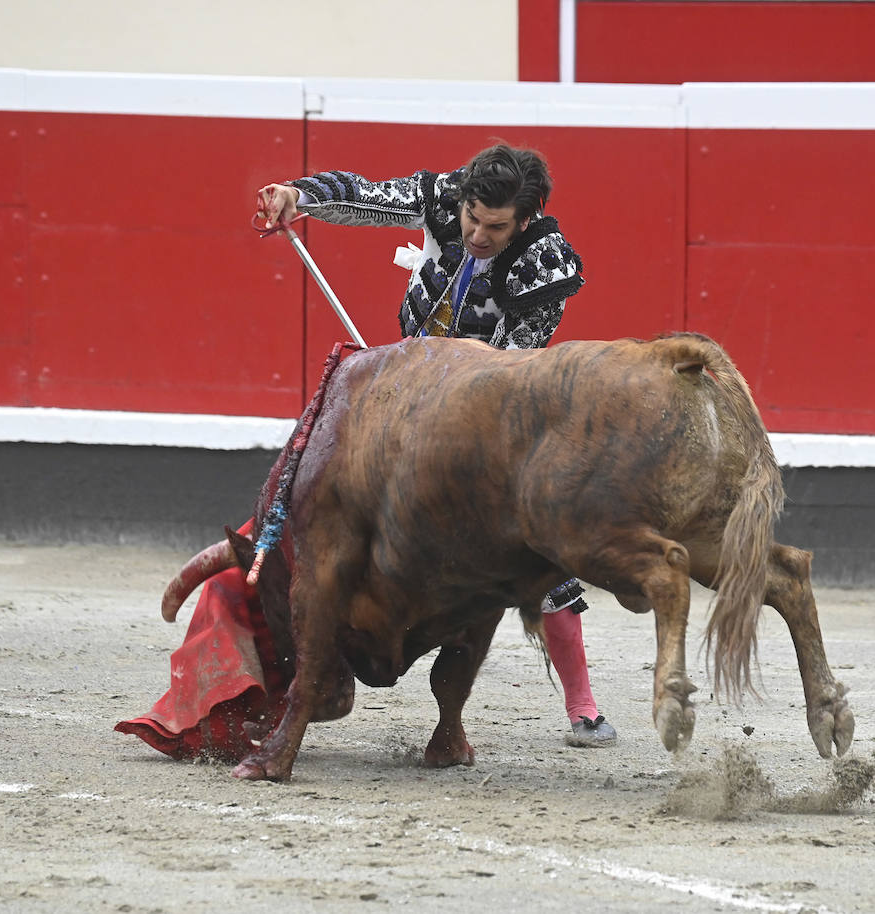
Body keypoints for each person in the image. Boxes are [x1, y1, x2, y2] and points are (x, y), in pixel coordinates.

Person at [118, 144, 614, 760]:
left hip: (492, 423)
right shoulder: (443, 199)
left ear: (525, 221)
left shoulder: (544, 263)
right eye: (472, 220)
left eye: (496, 227)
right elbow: (366, 196)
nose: (479, 235)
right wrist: (299, 197)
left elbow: (511, 372)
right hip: (403, 405)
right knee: (309, 495)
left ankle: (583, 706)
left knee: (538, 547)